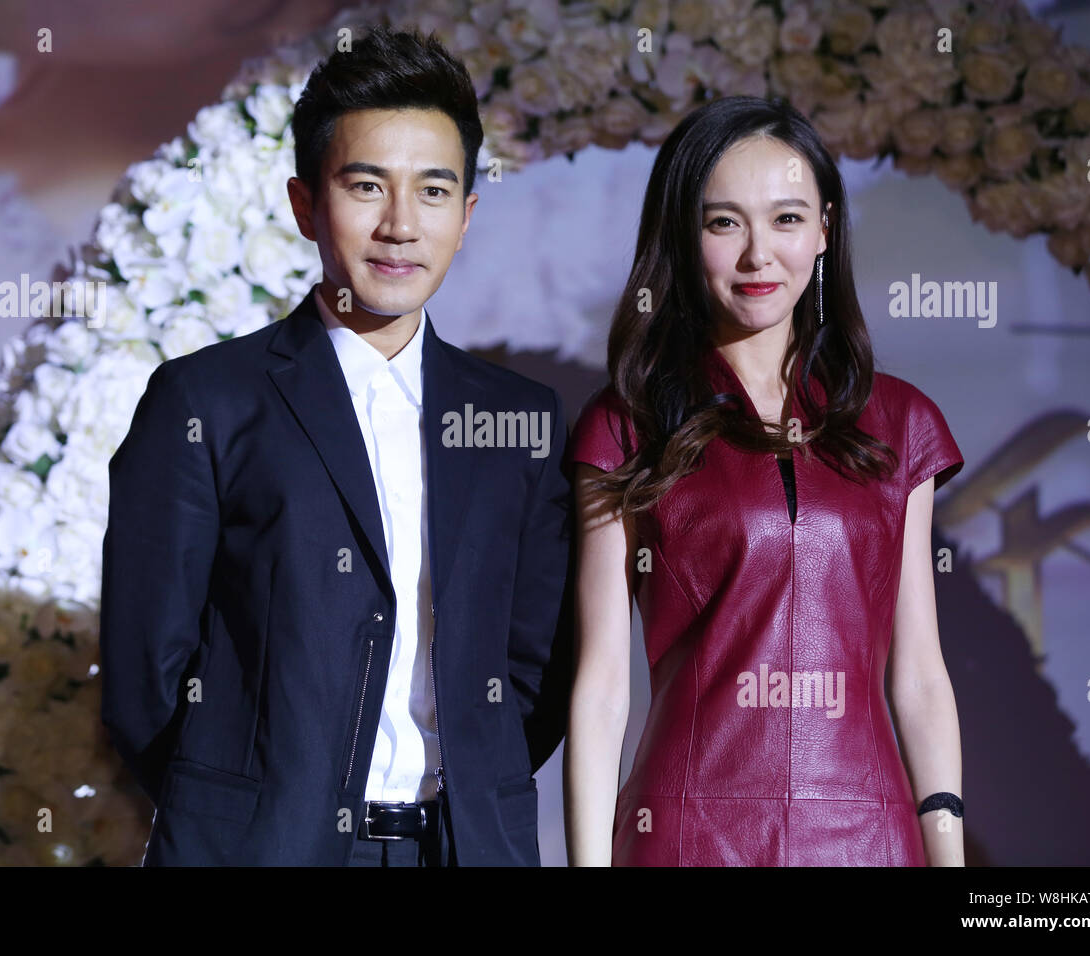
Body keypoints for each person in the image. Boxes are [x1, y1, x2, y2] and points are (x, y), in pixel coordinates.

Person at [99, 26, 573, 867]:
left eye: (433, 192)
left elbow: (534, 676)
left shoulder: (520, 421)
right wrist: (243, 806)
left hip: (461, 847)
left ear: (465, 217)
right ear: (306, 203)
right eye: (366, 186)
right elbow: (146, 678)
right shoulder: (206, 400)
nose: (400, 226)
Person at [564, 96, 966, 867]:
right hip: (686, 834)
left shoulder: (903, 422)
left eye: (786, 219)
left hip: (867, 839)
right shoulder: (626, 425)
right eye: (723, 223)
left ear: (825, 230)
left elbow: (917, 672)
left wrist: (944, 846)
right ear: (684, 235)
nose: (758, 256)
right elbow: (603, 685)